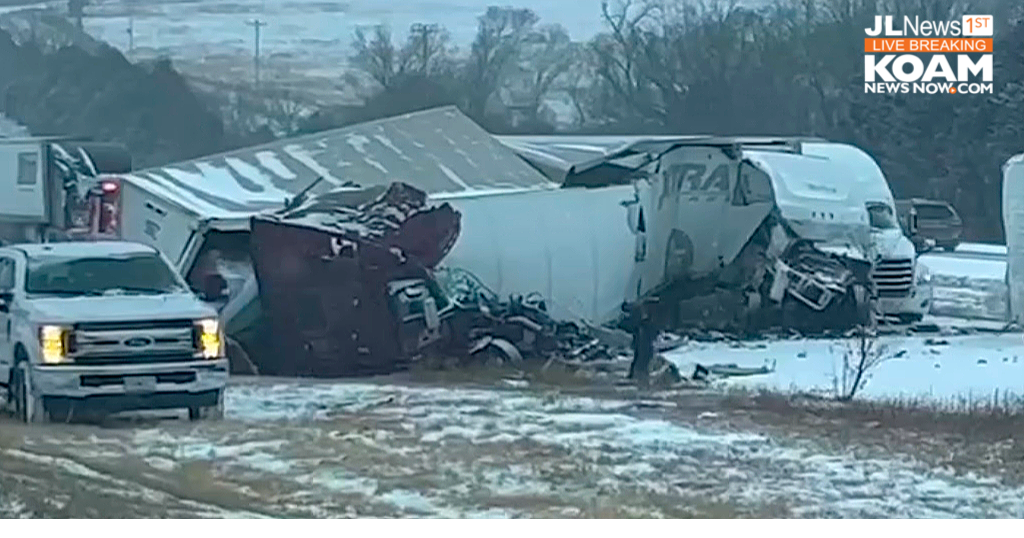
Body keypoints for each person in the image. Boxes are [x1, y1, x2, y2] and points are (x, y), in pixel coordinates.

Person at [624, 298, 658, 385]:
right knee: (641, 362)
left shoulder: (643, 326)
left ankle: (636, 376)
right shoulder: (644, 325)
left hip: (643, 348)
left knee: (640, 363)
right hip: (644, 348)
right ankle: (637, 376)